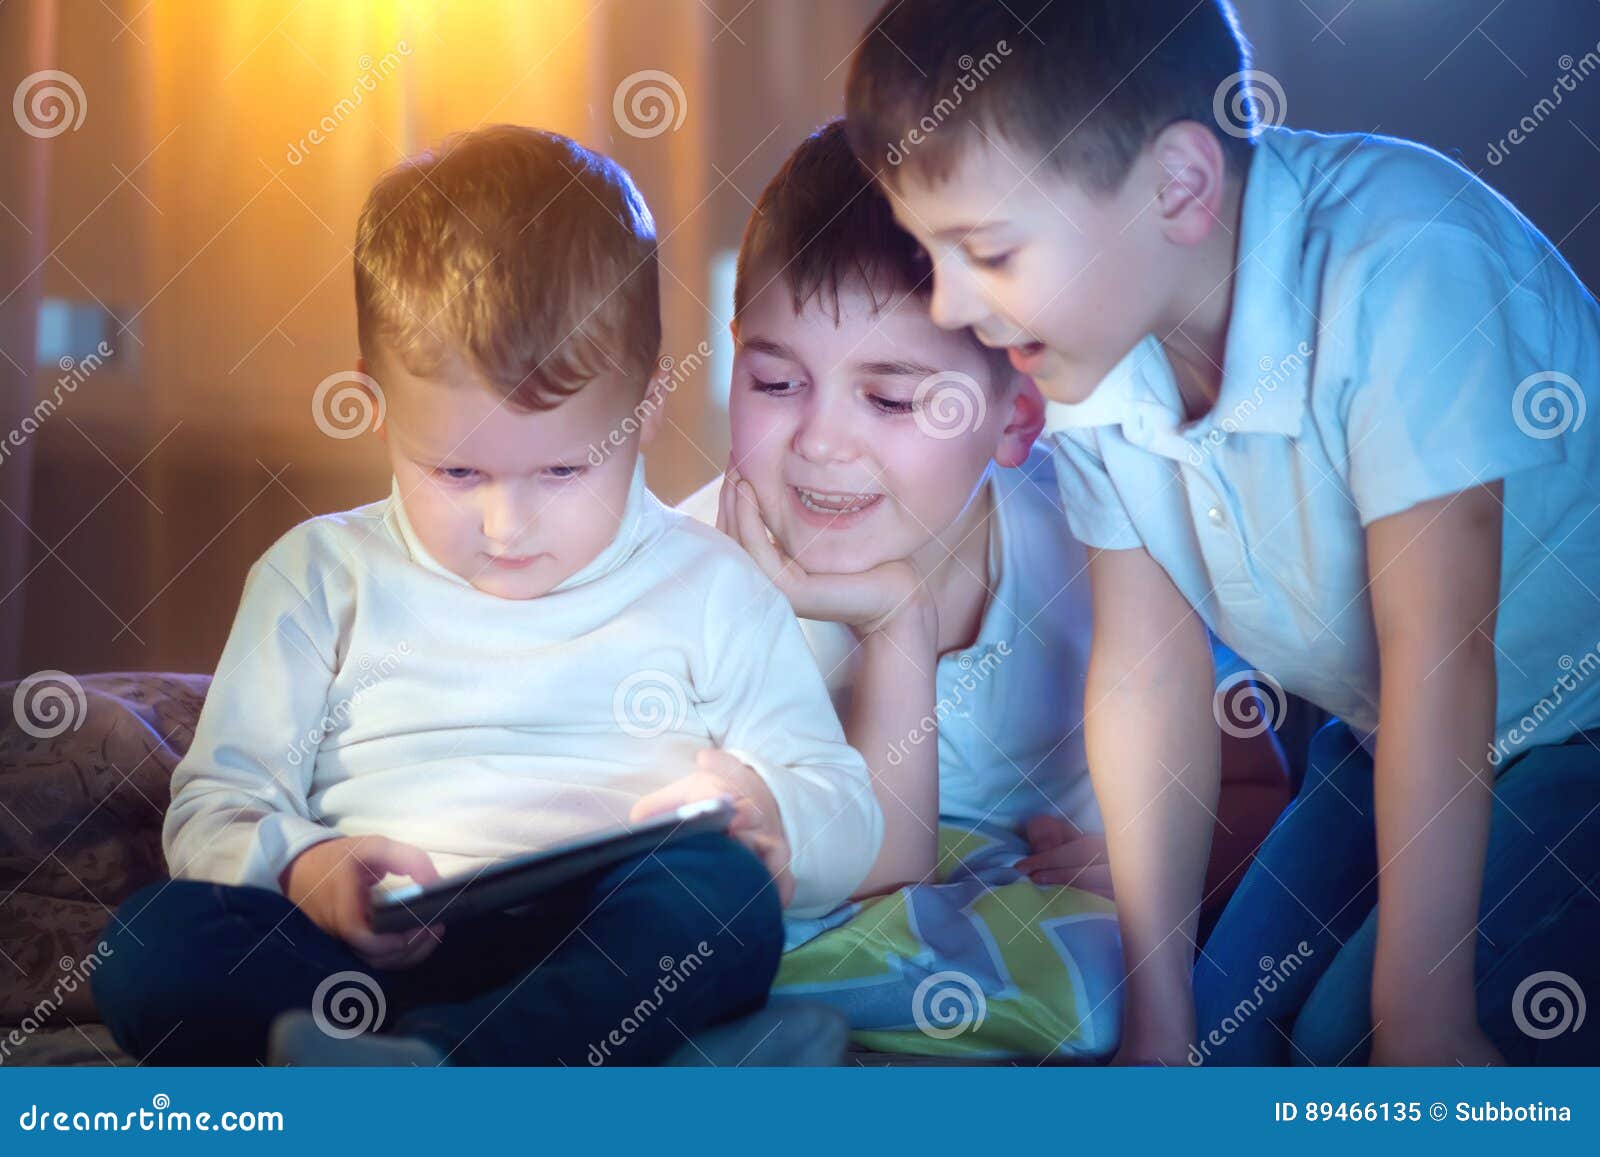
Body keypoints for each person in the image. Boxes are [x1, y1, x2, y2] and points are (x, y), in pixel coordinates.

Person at [844, 0, 1600, 1065]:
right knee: (1220, 1039)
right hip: (1383, 738)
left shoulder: (1400, 265)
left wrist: (1423, 1016)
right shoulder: (1088, 345)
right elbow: (1145, 671)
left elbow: (1444, 653)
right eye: (933, 255)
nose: (953, 303)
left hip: (1570, 727)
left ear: (1179, 187)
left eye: (988, 251)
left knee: (1363, 1036)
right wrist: (1159, 1031)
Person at [90, 125, 881, 1067]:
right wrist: (308, 865)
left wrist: (771, 808)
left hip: (605, 939)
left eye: (561, 469)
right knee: (151, 943)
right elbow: (214, 810)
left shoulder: (709, 583)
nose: (510, 527)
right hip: (362, 956)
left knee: (719, 899)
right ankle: (522, 1067)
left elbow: (848, 812)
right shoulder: (318, 576)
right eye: (458, 471)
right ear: (375, 404)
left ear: (644, 409)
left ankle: (428, 1069)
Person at [680, 121, 1288, 1058]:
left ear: (1020, 417)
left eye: (890, 398)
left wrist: (1188, 864)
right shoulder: (686, 579)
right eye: (773, 380)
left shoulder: (1097, 544)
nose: (821, 442)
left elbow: (1261, 787)